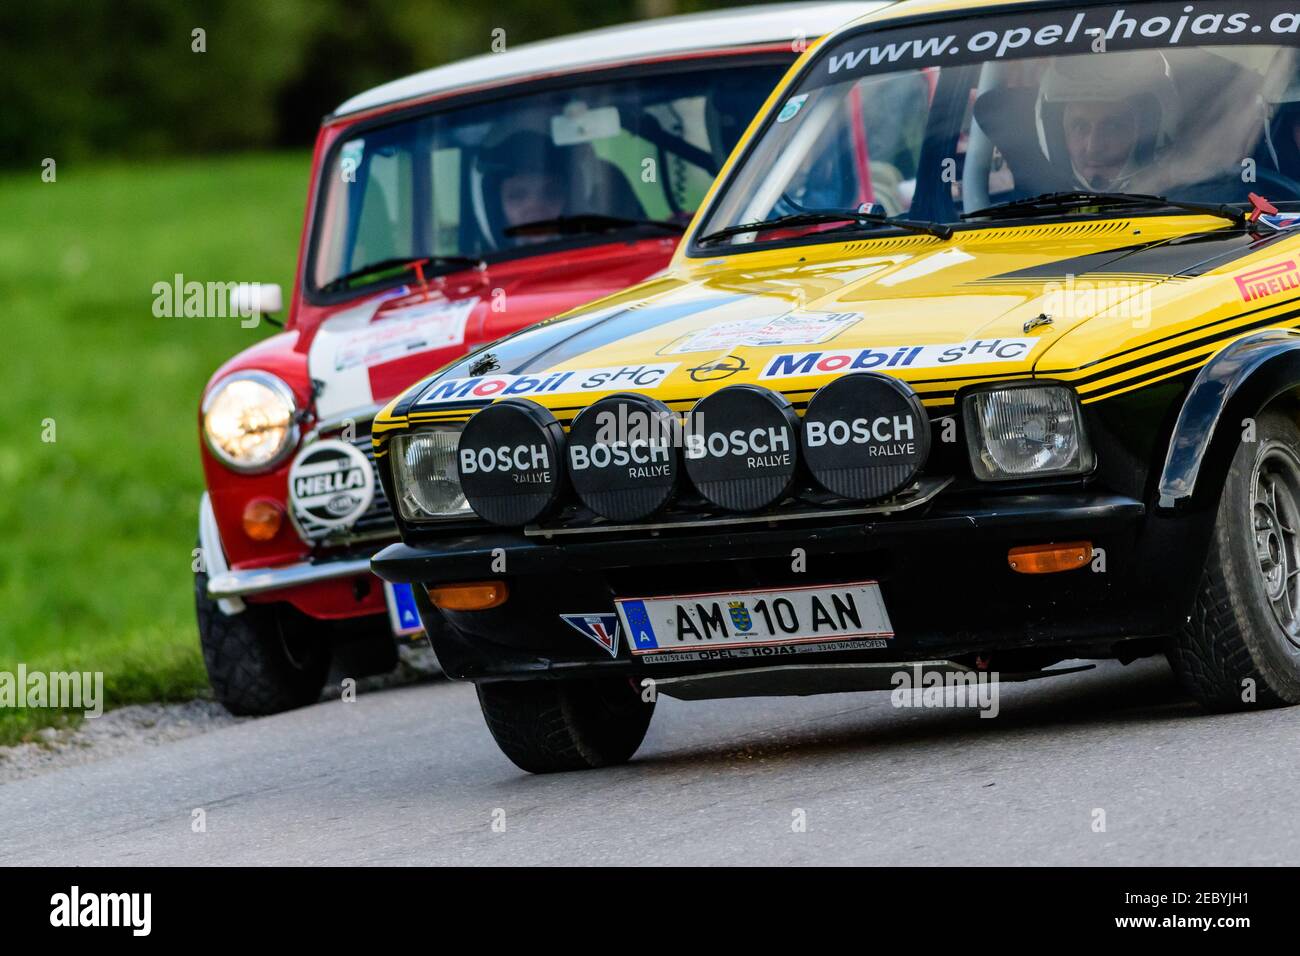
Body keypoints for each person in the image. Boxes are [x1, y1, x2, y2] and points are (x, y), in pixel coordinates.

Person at [1034, 51, 1180, 192]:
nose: (1094, 148)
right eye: (1079, 127)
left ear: (1153, 131)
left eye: (1113, 127)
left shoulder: (1194, 205)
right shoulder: (1028, 210)